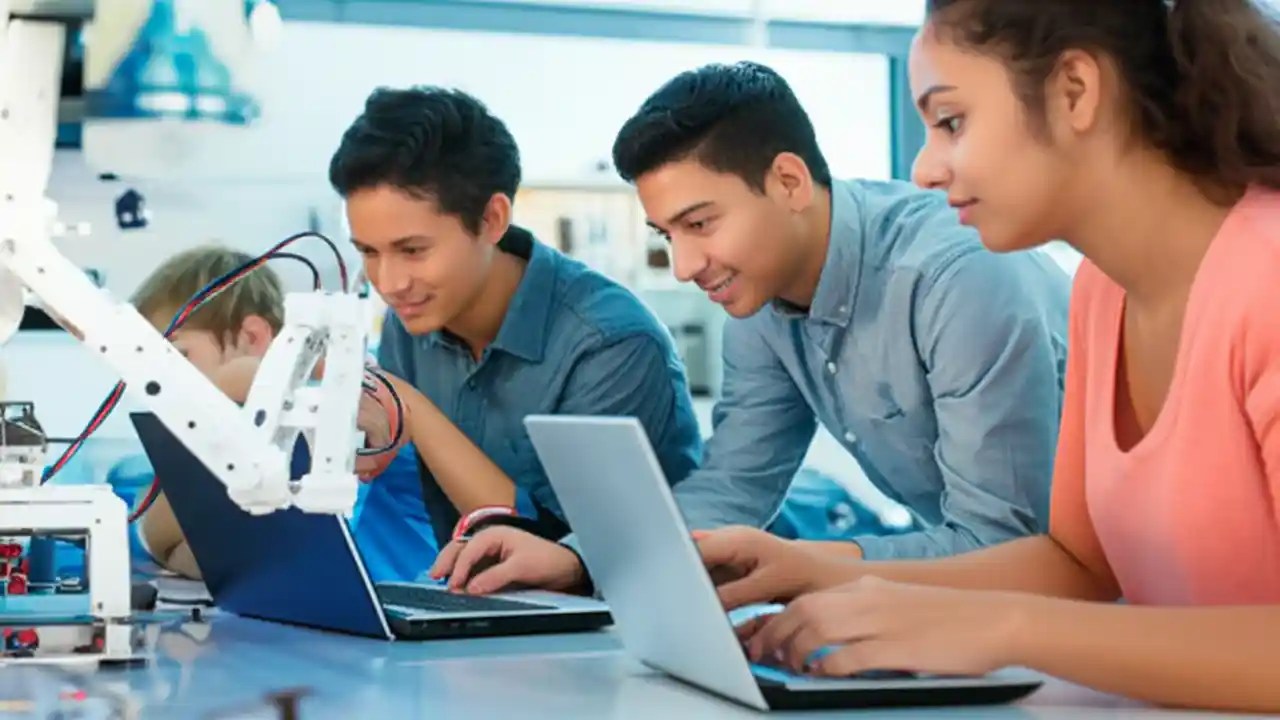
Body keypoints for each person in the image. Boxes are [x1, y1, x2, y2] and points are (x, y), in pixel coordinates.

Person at [702, 0, 1280, 713]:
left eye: (952, 122)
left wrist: (1007, 627)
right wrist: (821, 573)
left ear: (1074, 91)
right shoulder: (1105, 290)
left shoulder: (1267, 278)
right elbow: (1075, 564)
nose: (922, 170)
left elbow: (1046, 607)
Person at [430, 61, 1071, 593]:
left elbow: (1002, 548)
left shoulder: (954, 279)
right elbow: (734, 485)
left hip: (1102, 612)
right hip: (985, 603)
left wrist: (809, 568)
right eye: (667, 235)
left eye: (701, 224)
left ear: (789, 180)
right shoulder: (760, 299)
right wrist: (580, 559)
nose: (683, 266)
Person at [323, 85, 702, 558]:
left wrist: (410, 408)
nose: (390, 282)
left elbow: (554, 558)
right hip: (480, 614)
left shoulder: (610, 344)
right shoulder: (412, 322)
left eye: (412, 250)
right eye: (369, 252)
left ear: (491, 219)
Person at [128, 244, 291, 578]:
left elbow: (255, 377)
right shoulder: (220, 431)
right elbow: (160, 539)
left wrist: (223, 385)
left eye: (178, 357)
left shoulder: (295, 400)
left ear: (252, 337)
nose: (158, 384)